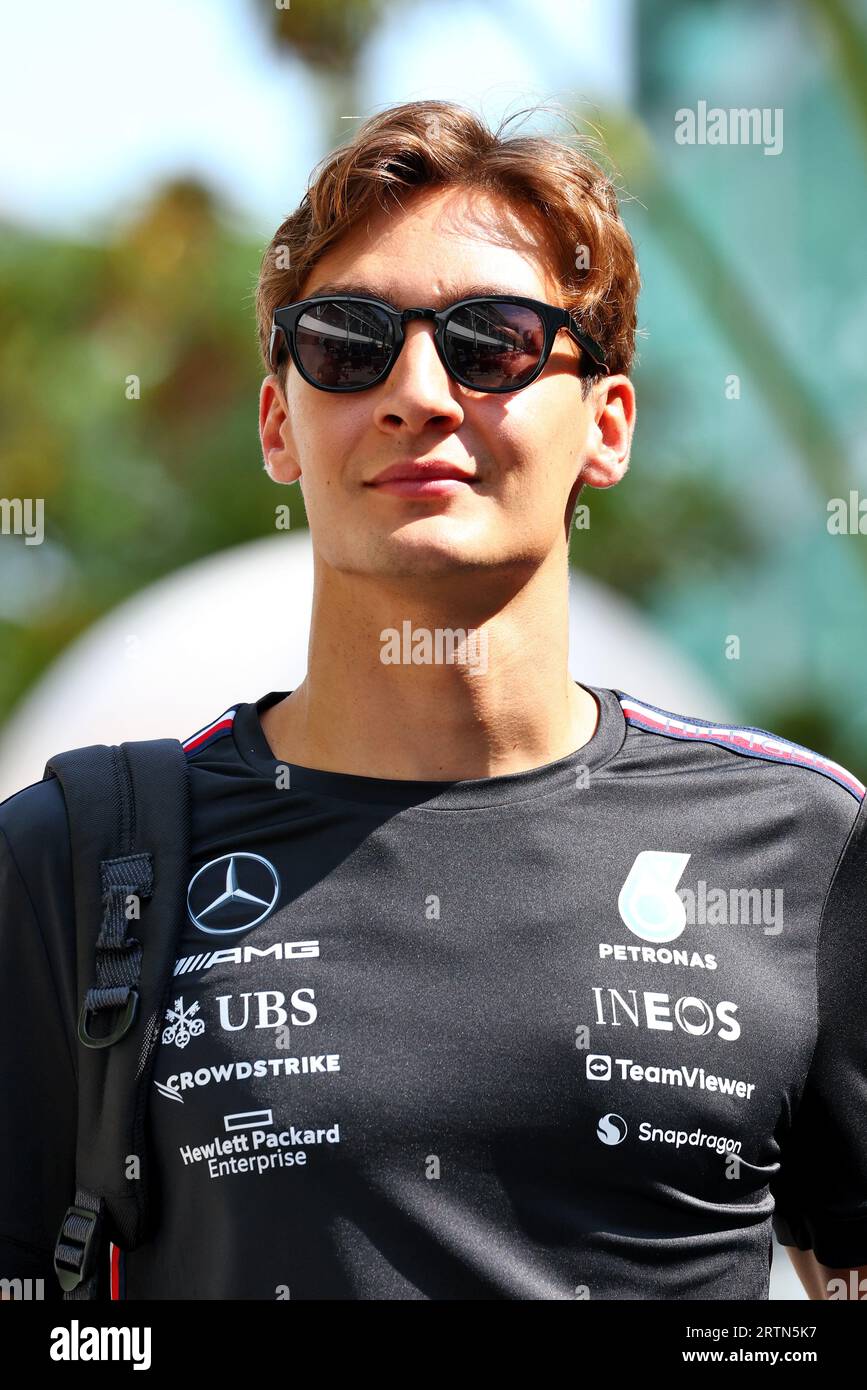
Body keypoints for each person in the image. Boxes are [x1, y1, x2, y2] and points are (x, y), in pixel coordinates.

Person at [1, 99, 865, 1302]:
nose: (417, 392)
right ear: (279, 424)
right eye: (349, 342)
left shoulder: (810, 848)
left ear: (607, 425)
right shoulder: (78, 861)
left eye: (493, 340)